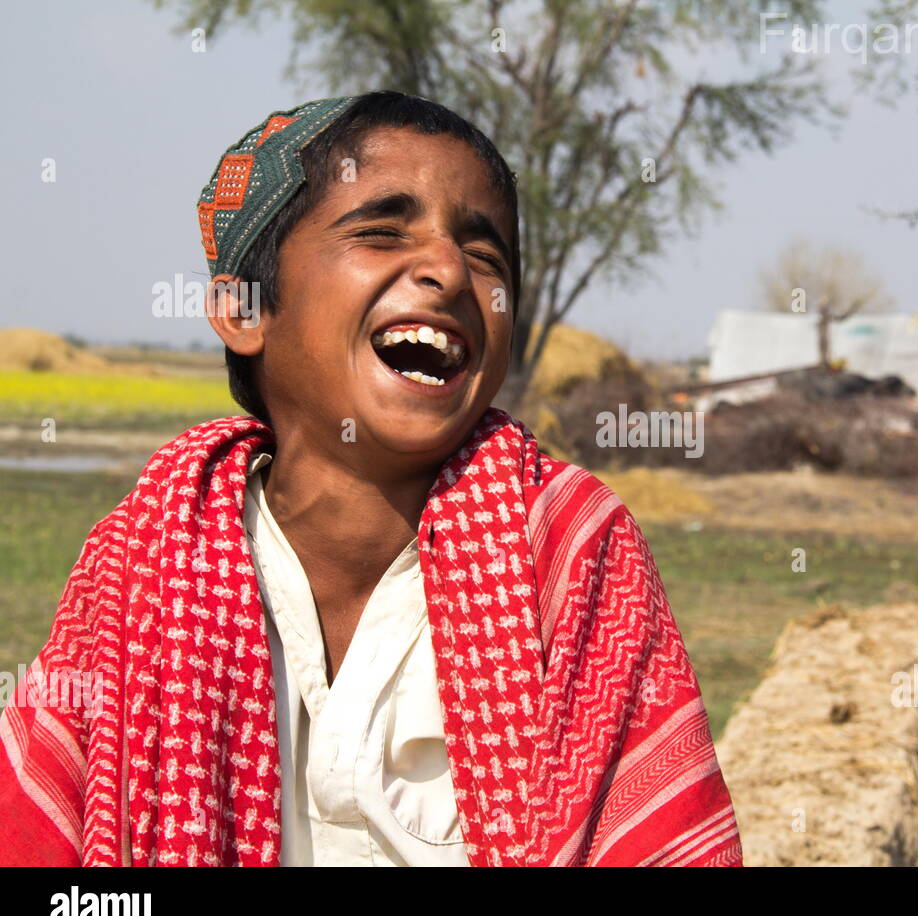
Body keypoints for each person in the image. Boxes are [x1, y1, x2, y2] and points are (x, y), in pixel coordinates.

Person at [0, 91, 742, 867]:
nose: (450, 271)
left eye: (486, 255)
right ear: (244, 309)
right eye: (383, 232)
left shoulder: (567, 554)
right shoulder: (142, 563)